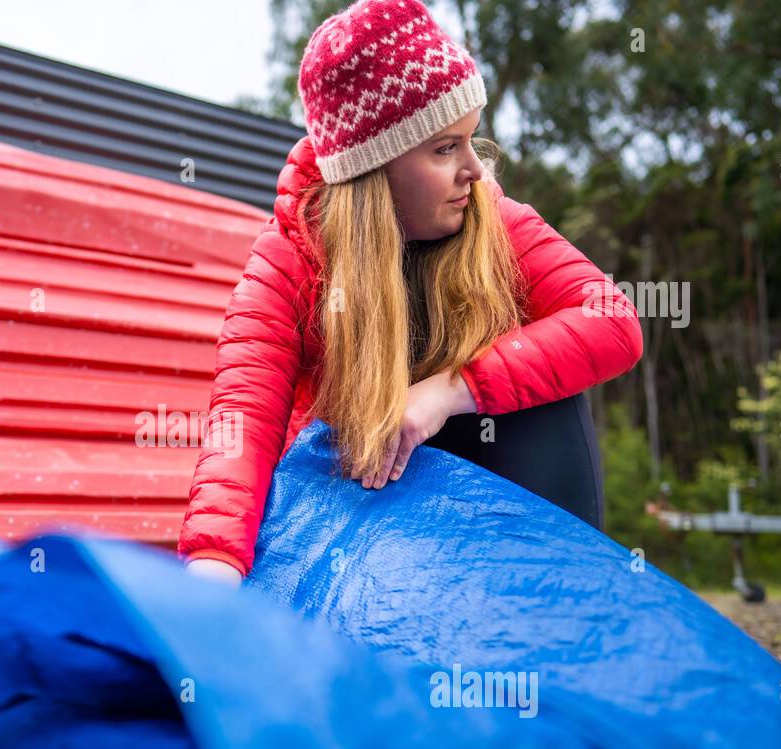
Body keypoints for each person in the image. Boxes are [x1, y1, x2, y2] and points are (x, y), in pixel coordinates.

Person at [179, 0, 642, 588]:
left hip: (492, 502)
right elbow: (241, 422)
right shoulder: (289, 257)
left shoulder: (493, 217)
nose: (475, 169)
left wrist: (448, 392)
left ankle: (560, 609)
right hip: (367, 515)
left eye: (472, 140)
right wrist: (213, 569)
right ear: (375, 171)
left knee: (543, 395)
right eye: (445, 148)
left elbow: (612, 321)